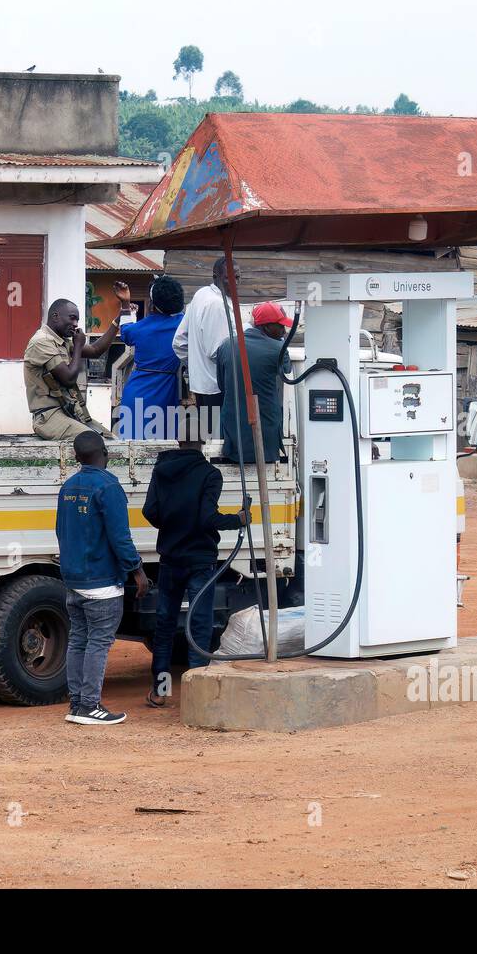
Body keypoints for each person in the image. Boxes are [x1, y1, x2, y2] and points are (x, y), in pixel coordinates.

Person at [142, 414, 251, 707]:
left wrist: (173, 525)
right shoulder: (208, 474)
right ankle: (195, 695)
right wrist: (238, 519)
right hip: (200, 559)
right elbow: (207, 518)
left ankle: (160, 691)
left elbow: (149, 511)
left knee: (165, 624)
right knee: (199, 624)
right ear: (202, 442)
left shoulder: (161, 469)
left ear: (178, 441)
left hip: (170, 558)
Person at [56, 430, 150, 725]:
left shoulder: (68, 486)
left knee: (78, 640)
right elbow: (120, 537)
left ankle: (77, 705)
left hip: (73, 579)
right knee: (98, 642)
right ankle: (90, 706)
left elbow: (62, 530)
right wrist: (137, 570)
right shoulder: (108, 487)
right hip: (102, 581)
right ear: (105, 454)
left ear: (76, 457)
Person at [24, 293, 124, 441]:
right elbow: (69, 379)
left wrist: (117, 321)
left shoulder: (61, 340)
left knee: (113, 441)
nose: (76, 324)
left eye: (77, 319)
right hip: (48, 417)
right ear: (55, 316)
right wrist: (77, 346)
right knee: (94, 441)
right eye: (72, 318)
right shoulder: (42, 341)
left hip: (68, 412)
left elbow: (96, 351)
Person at [214, 301, 293, 465]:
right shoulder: (279, 349)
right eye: (280, 326)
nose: (284, 331)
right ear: (266, 327)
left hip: (232, 432)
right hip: (266, 434)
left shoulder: (226, 345)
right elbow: (288, 383)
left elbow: (222, 386)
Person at [172, 258, 239, 438]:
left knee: (208, 441)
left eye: (237, 277)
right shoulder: (216, 304)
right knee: (218, 445)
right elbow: (220, 352)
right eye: (228, 278)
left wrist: (196, 365)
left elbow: (179, 342)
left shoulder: (201, 294)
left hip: (202, 384)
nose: (234, 283)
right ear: (215, 277)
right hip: (218, 388)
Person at [114, 277, 186, 440]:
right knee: (166, 444)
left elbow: (125, 332)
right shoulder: (183, 324)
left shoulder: (141, 328)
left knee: (132, 446)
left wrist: (125, 304)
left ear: (153, 304)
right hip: (167, 390)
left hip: (137, 391)